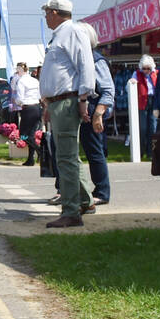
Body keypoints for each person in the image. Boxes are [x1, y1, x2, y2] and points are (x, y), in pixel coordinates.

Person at [38, 0, 95, 228]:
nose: (45, 17)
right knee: (68, 156)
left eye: (46, 13)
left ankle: (71, 211)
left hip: (66, 101)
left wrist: (83, 98)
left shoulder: (72, 31)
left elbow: (86, 66)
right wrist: (48, 104)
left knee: (66, 159)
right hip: (58, 102)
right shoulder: (61, 34)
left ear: (54, 12)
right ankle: (85, 201)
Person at [51, 23, 112, 205]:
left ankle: (102, 191)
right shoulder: (75, 58)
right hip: (74, 105)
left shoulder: (97, 60)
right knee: (64, 151)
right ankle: (64, 189)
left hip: (91, 107)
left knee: (94, 151)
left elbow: (108, 90)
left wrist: (98, 113)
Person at [11, 62, 42, 167]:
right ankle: (30, 158)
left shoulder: (21, 81)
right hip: (36, 107)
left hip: (28, 108)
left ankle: (40, 151)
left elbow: (20, 98)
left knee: (23, 135)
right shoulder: (35, 80)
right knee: (31, 135)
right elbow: (39, 95)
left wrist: (17, 102)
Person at [134, 55, 157, 159]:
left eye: (148, 68)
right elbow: (129, 85)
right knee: (142, 128)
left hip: (153, 101)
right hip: (142, 102)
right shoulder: (136, 73)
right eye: (144, 68)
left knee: (153, 127)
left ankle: (151, 152)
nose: (146, 71)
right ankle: (140, 151)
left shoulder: (156, 73)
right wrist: (132, 82)